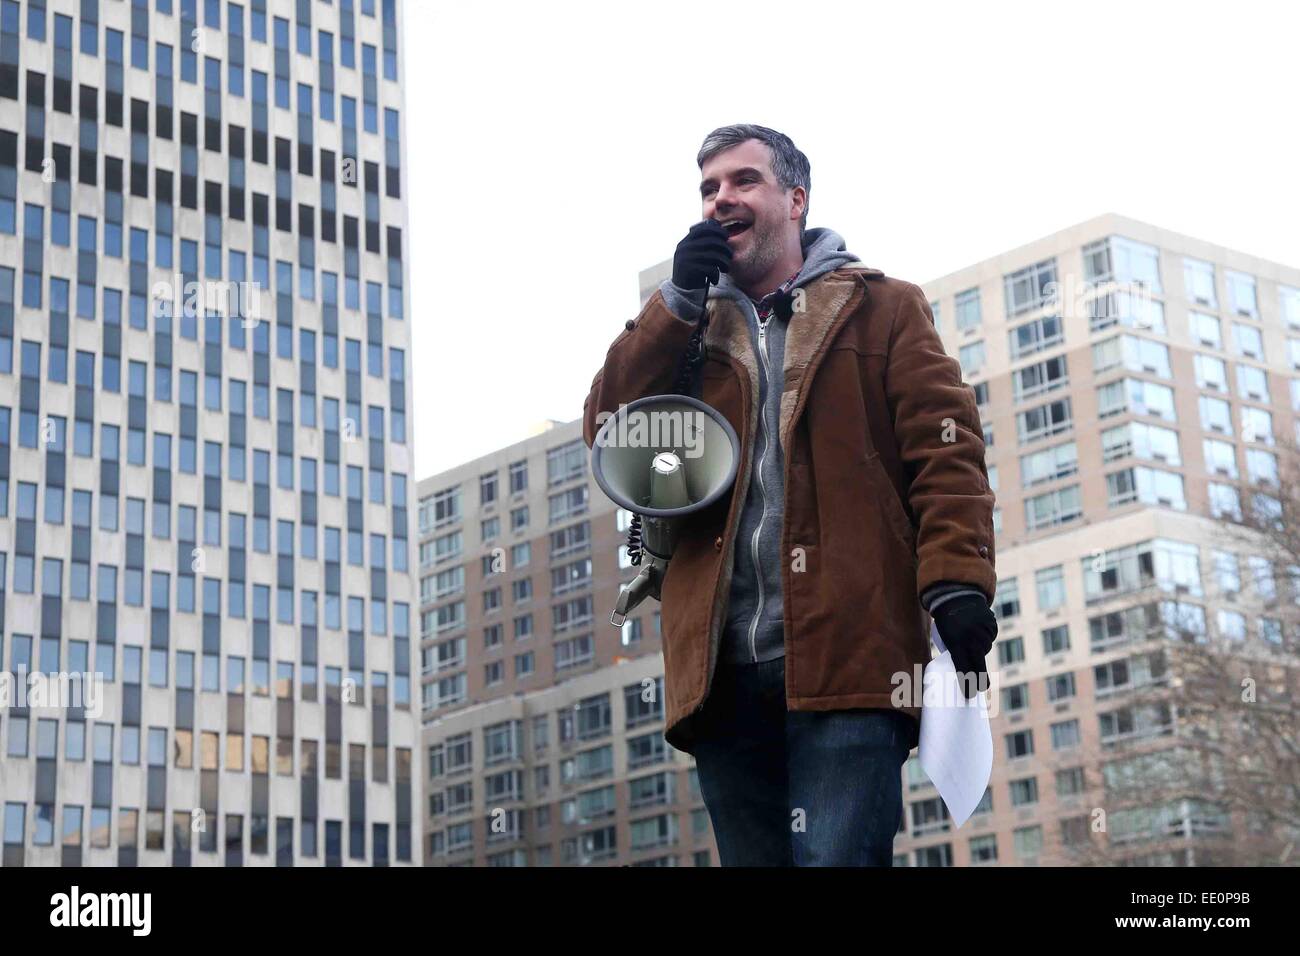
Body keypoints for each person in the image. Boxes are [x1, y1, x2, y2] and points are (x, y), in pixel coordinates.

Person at [581, 124, 998, 866]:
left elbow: (949, 454)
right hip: (720, 679)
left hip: (850, 660)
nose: (720, 200)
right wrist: (674, 301)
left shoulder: (884, 308)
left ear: (796, 197)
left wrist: (956, 582)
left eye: (742, 182)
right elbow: (610, 431)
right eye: (708, 188)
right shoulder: (684, 327)